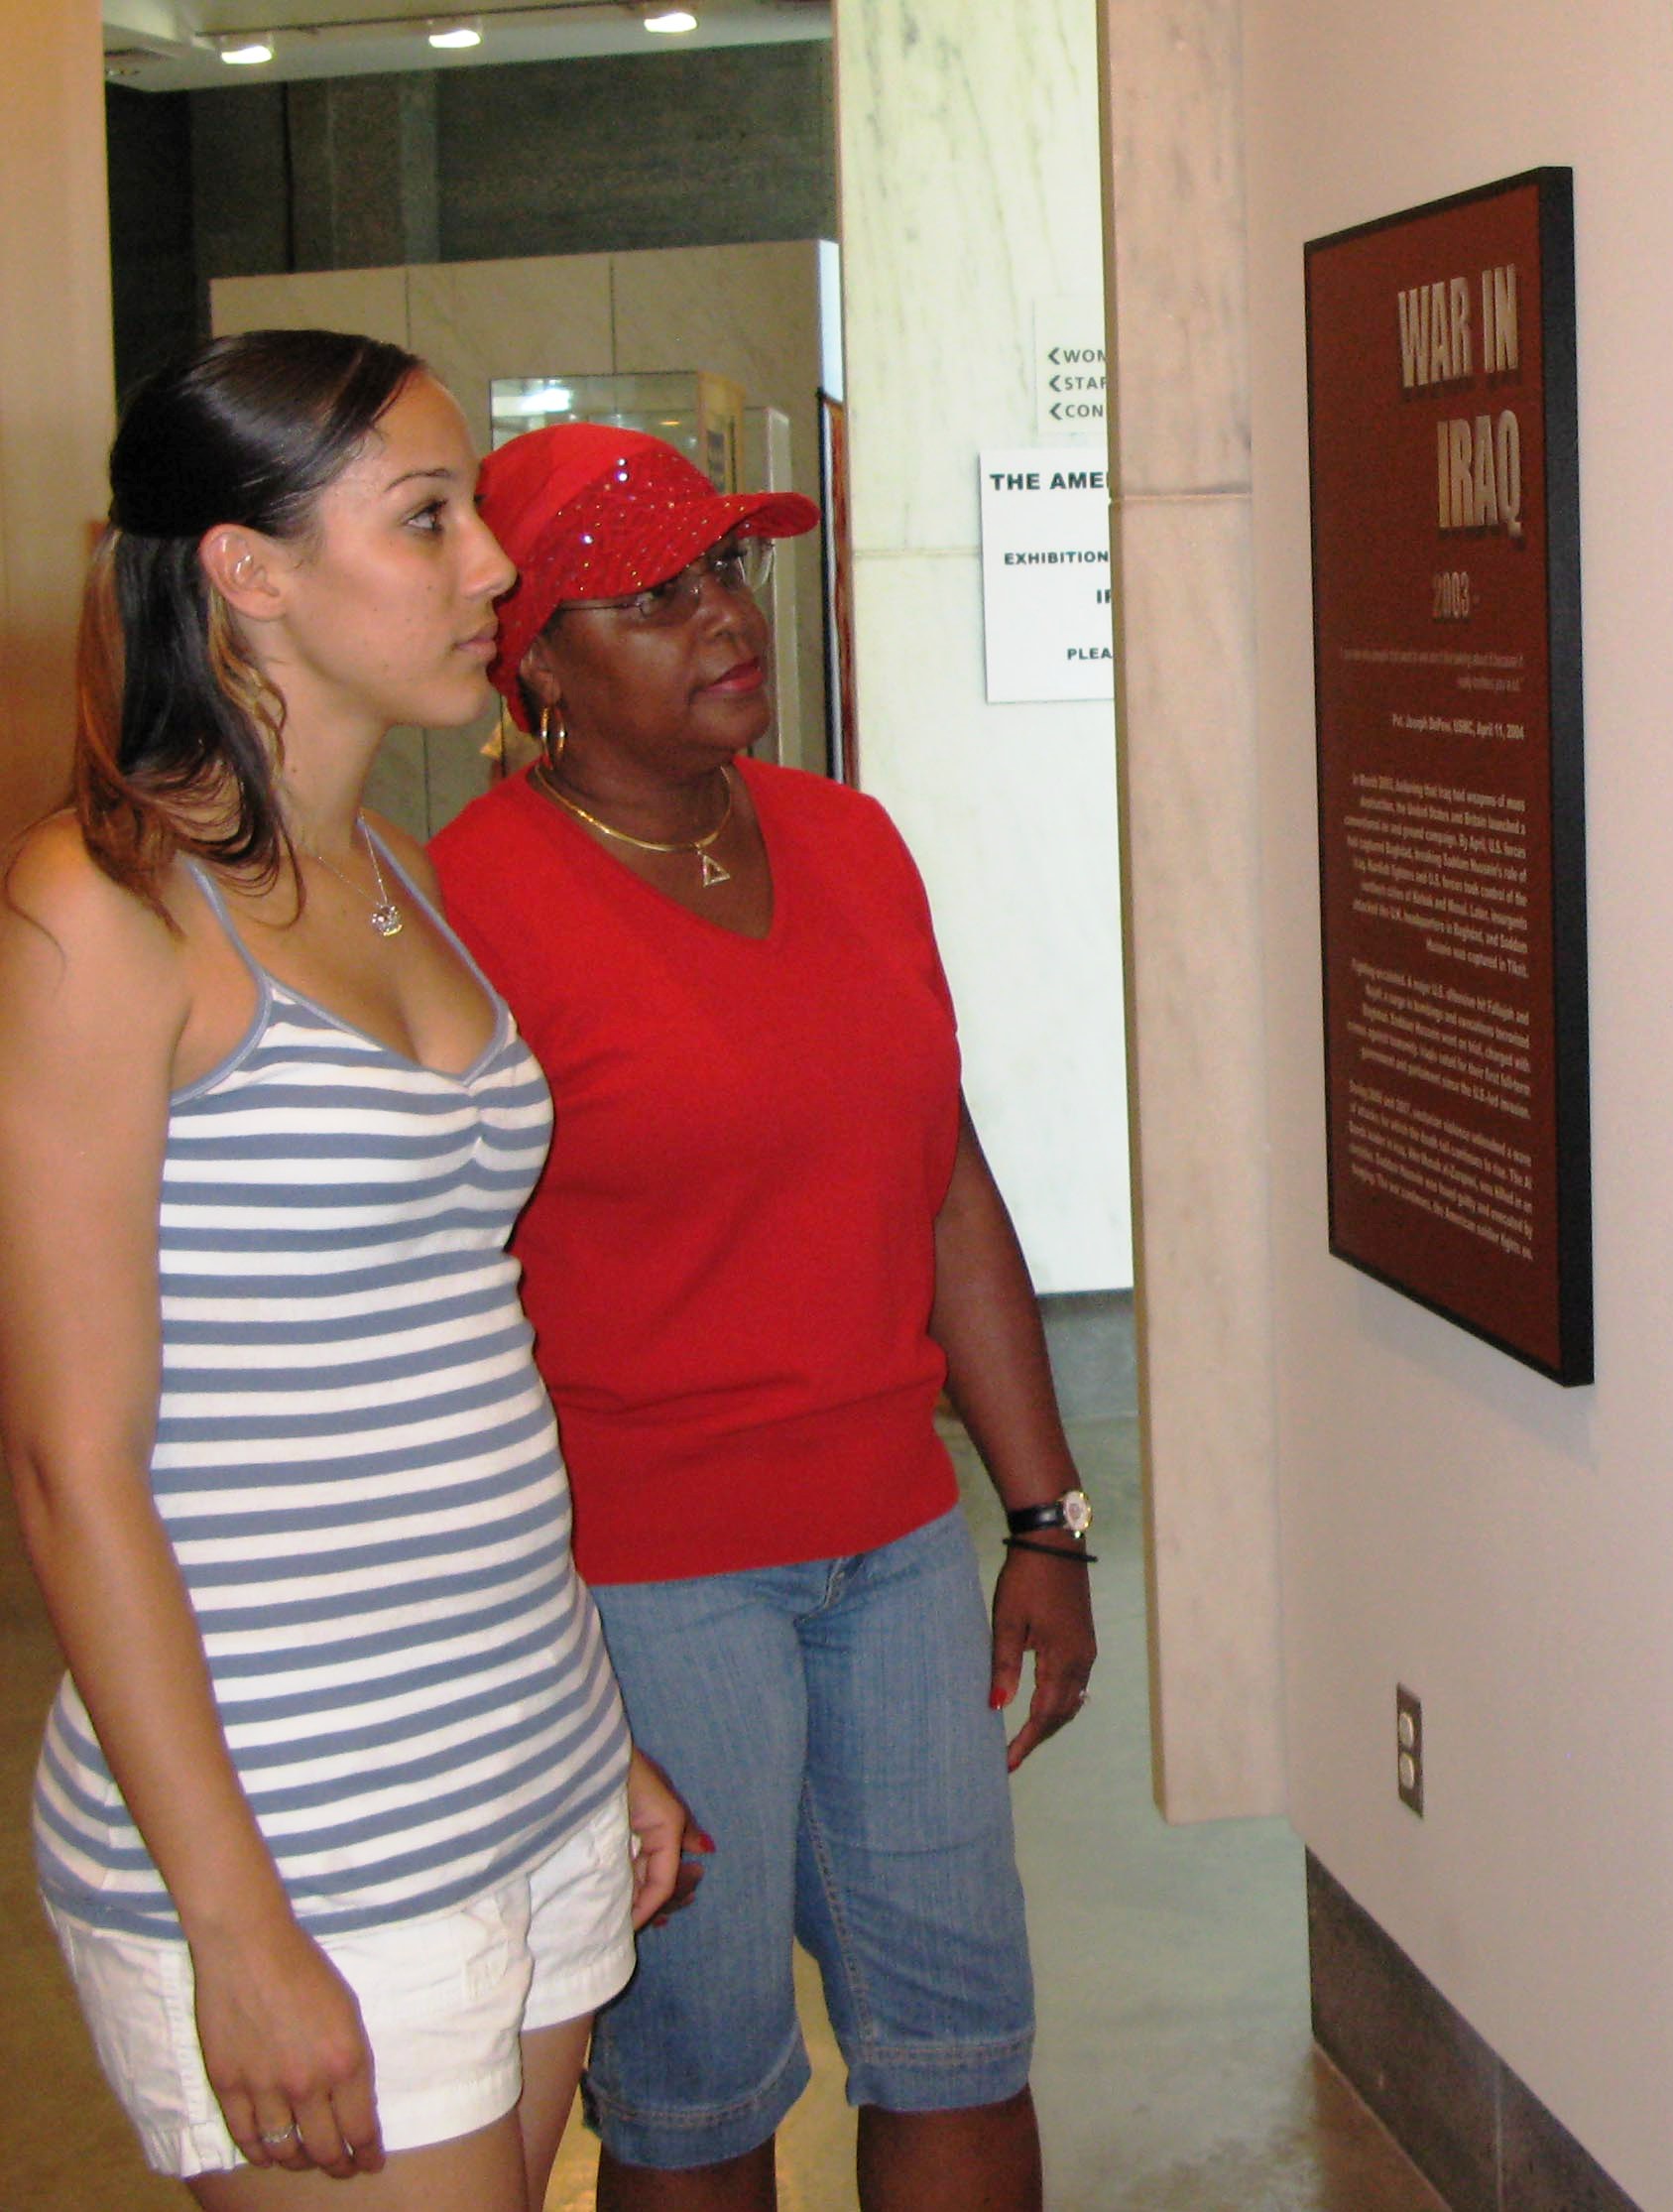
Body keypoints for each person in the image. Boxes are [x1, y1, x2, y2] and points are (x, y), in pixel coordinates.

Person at [0, 330, 688, 2207]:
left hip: (520, 1766)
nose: (493, 567)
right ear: (247, 569)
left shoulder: (402, 868)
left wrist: (594, 1740)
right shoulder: (106, 916)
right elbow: (72, 1470)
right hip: (301, 1837)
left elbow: (453, 1355)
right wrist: (233, 1926)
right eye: (430, 517)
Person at [427, 423, 1096, 2212]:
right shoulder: (466, 910)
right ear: (538, 665)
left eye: (723, 567)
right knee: (695, 2096)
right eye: (649, 596)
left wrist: (1044, 1515)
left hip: (890, 1546)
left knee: (965, 2042)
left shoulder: (849, 843)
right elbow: (439, 1305)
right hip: (641, 1585)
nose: (723, 613)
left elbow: (944, 1181)